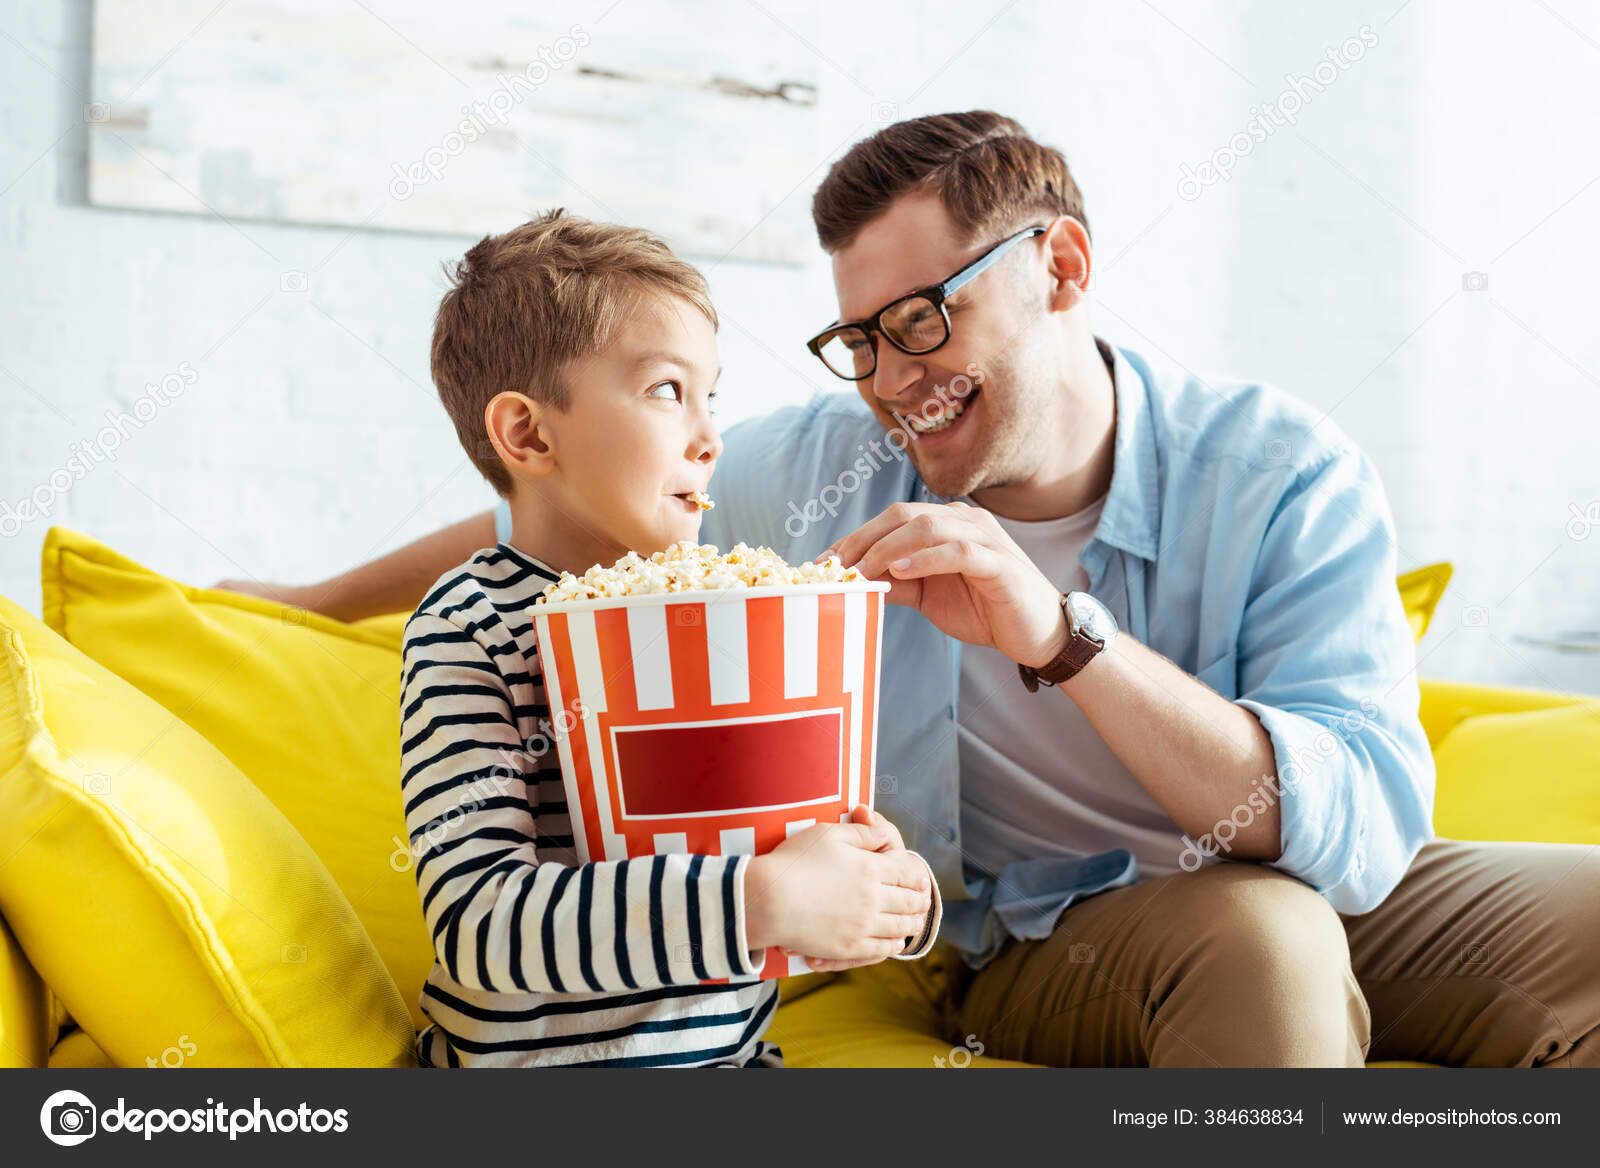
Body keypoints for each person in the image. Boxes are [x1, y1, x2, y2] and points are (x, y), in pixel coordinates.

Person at [222, 113, 1599, 1068]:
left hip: (1323, 868)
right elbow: (579, 506)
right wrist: (299, 600)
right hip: (1074, 927)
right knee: (1265, 940)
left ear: (1060, 268)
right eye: (860, 339)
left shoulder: (1282, 472)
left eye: (925, 320)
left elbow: (1354, 840)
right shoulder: (834, 472)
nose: (892, 380)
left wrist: (1064, 644)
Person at [395, 209, 939, 1068]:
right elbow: (479, 926)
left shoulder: (735, 606)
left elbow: (796, 832)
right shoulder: (468, 627)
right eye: (665, 390)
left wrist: (882, 890)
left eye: (710, 395)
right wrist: (756, 901)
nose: (710, 438)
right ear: (529, 433)